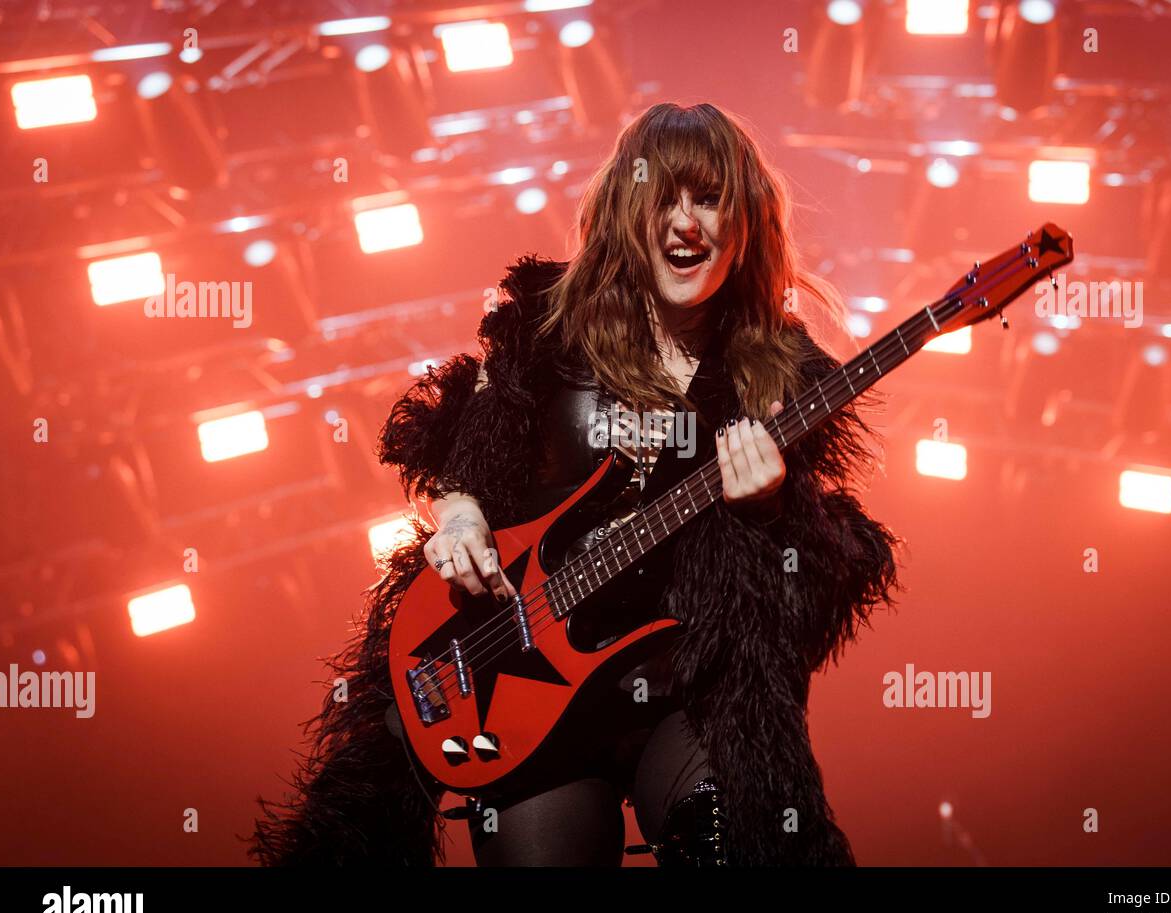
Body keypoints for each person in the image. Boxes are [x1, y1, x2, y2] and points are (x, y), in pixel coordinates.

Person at [251, 102, 898, 867]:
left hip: (681, 692)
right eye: (663, 198)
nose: (685, 223)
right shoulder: (545, 327)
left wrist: (774, 509)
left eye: (709, 199)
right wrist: (458, 522)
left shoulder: (783, 373)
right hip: (525, 687)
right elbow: (461, 466)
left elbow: (812, 593)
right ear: (628, 211)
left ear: (746, 221)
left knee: (730, 842)